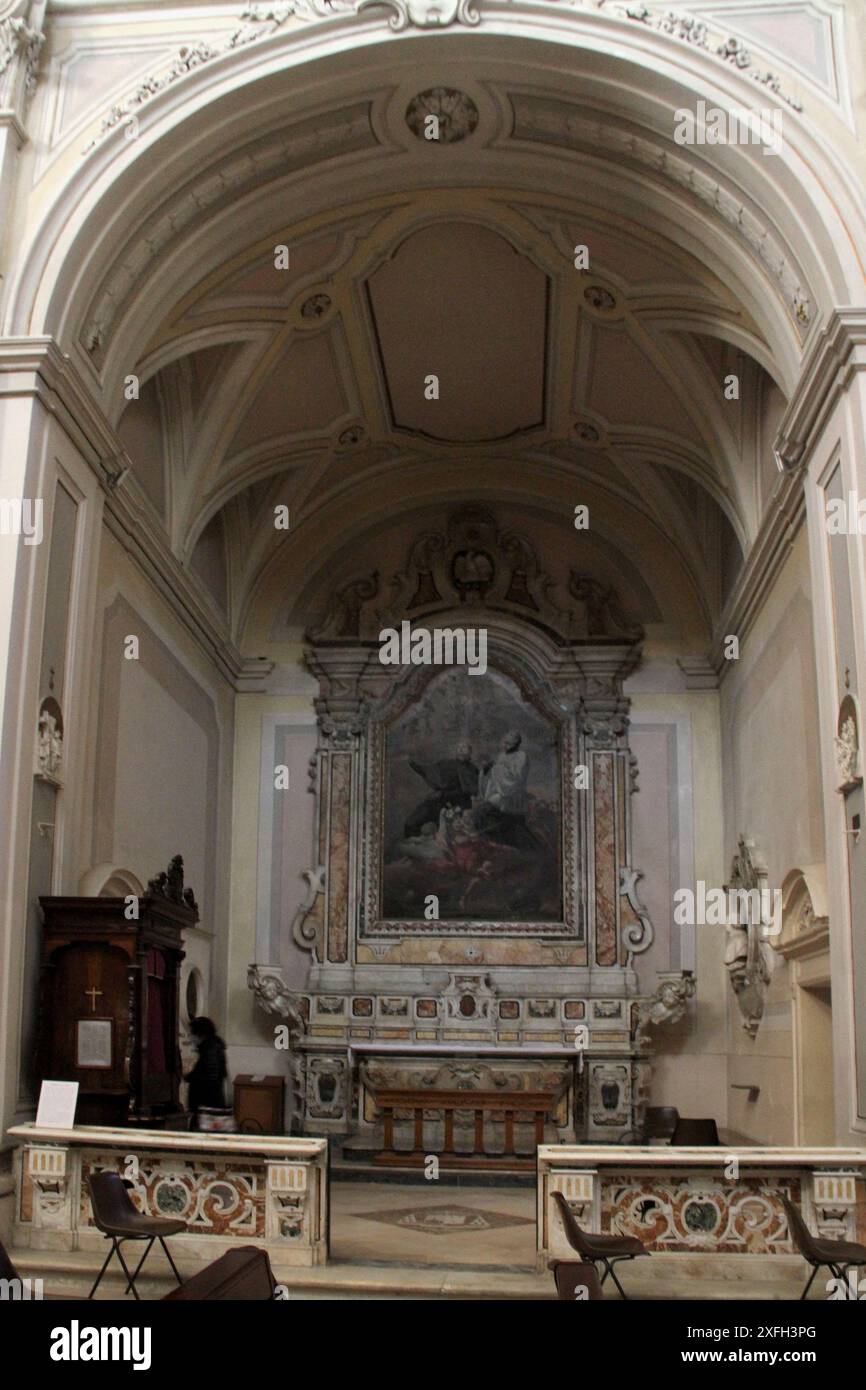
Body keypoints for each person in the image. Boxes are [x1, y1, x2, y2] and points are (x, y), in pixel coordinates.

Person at [185, 1016, 227, 1129]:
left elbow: (209, 1077)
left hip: (207, 1109)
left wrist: (190, 1077)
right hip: (208, 1107)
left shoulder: (210, 1050)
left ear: (200, 1034)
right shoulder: (212, 1048)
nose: (190, 1037)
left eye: (191, 1034)